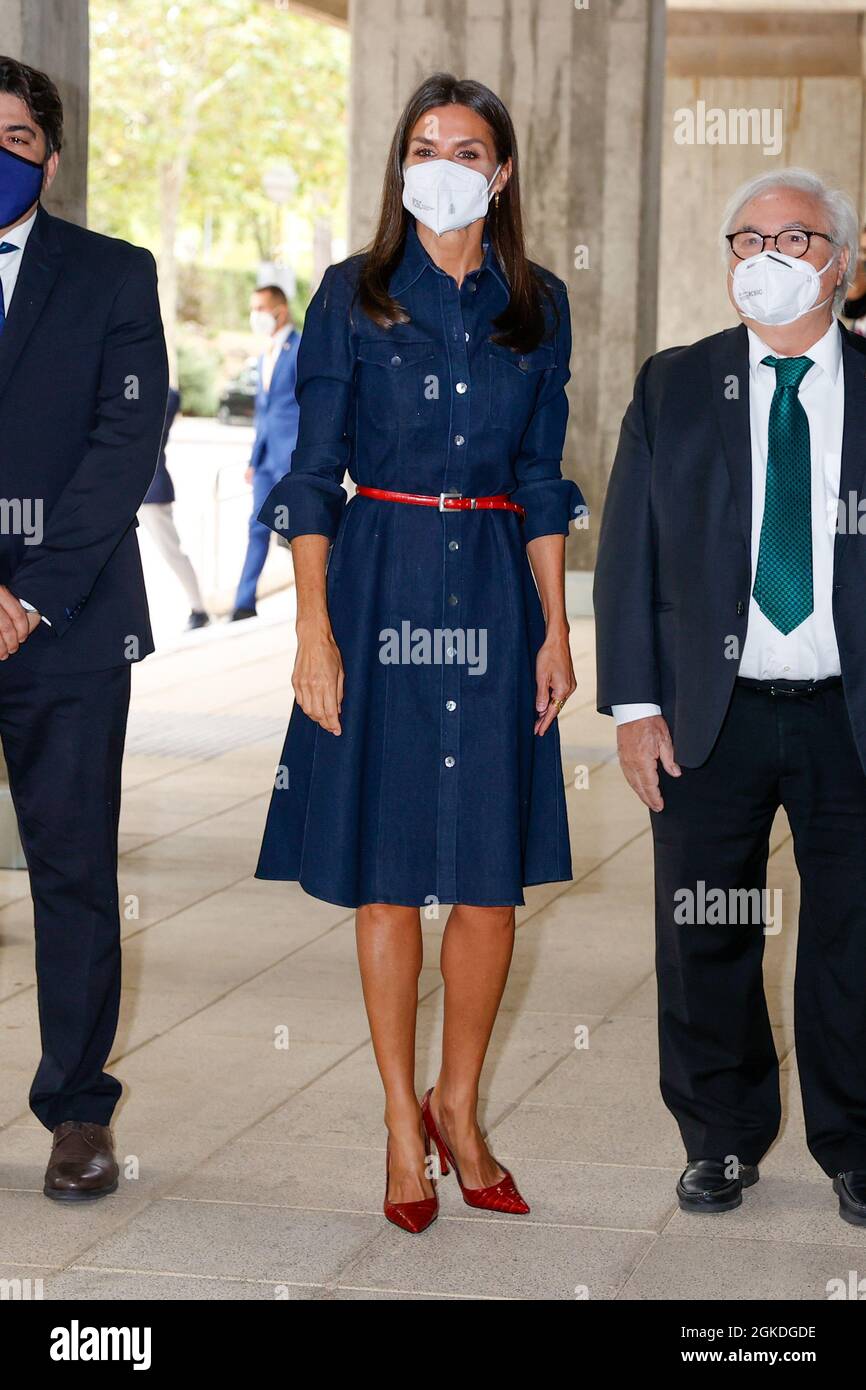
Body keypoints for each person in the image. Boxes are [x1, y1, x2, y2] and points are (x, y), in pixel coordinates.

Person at [255, 72, 584, 1234]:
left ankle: (459, 1101)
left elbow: (543, 479)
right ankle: (401, 1117)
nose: (442, 159)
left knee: (489, 884)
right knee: (389, 875)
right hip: (378, 577)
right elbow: (307, 473)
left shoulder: (533, 303)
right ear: (401, 162)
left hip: (495, 588)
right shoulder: (353, 293)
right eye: (423, 142)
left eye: (467, 145)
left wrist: (553, 626)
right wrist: (313, 630)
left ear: (499, 172)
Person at [594, 166, 866, 1227]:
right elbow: (626, 557)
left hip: (847, 714)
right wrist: (631, 707)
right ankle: (718, 1137)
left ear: (839, 260)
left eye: (790, 239)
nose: (762, 258)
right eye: (742, 239)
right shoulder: (674, 384)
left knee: (852, 936)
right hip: (711, 712)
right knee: (703, 930)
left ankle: (851, 1142)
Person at [0, 57, 168, 1199]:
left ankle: (77, 1111)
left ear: (49, 157)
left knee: (70, 873)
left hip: (63, 627)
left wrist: (28, 593)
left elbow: (125, 450)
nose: (0, 154)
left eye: (14, 136)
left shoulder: (113, 274)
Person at [229, 285, 300, 621]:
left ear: (279, 310)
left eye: (260, 308)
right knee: (256, 526)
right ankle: (244, 603)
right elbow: (264, 413)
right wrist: (253, 461)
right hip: (266, 461)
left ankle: (316, 603)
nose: (254, 315)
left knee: (299, 533)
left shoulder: (301, 348)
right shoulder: (264, 355)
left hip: (291, 459)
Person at [139, 386, 210, 631]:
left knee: (172, 552)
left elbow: (166, 403)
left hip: (151, 490)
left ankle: (198, 608)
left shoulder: (164, 395)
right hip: (119, 490)